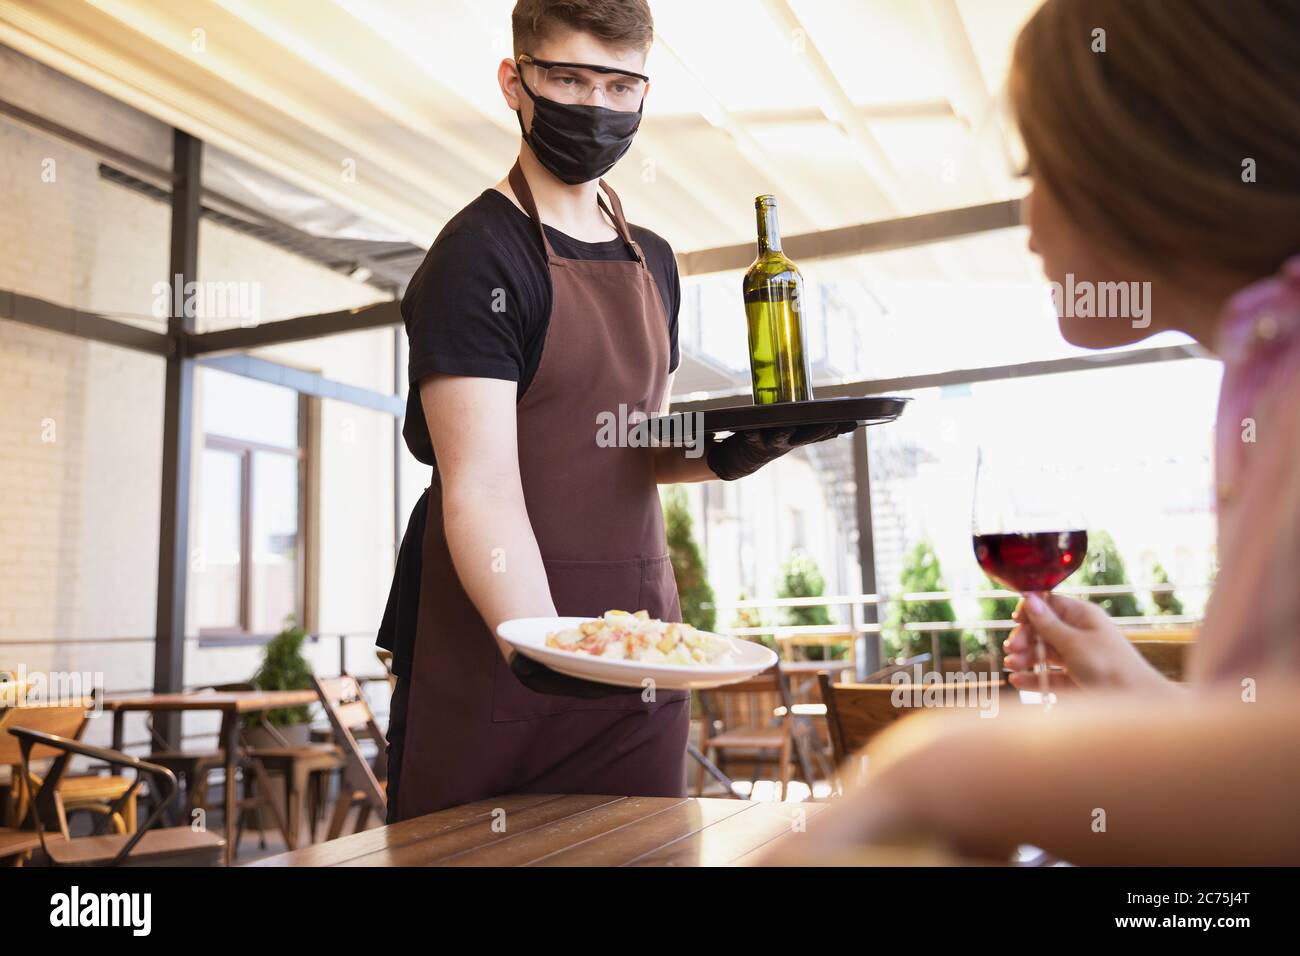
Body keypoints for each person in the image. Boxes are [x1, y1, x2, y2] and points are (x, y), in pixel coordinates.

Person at [772, 0, 1300, 864]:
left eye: (1038, 169)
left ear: (1134, 160)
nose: (1027, 227)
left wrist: (938, 766)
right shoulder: (1267, 369)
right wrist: (1128, 687)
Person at [380, 0, 847, 822]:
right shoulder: (477, 258)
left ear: (642, 94)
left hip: (641, 652)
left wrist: (728, 450)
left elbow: (632, 441)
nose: (595, 106)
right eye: (566, 77)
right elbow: (481, 484)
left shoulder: (655, 262)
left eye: (617, 84)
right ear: (513, 82)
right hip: (502, 644)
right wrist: (541, 643)